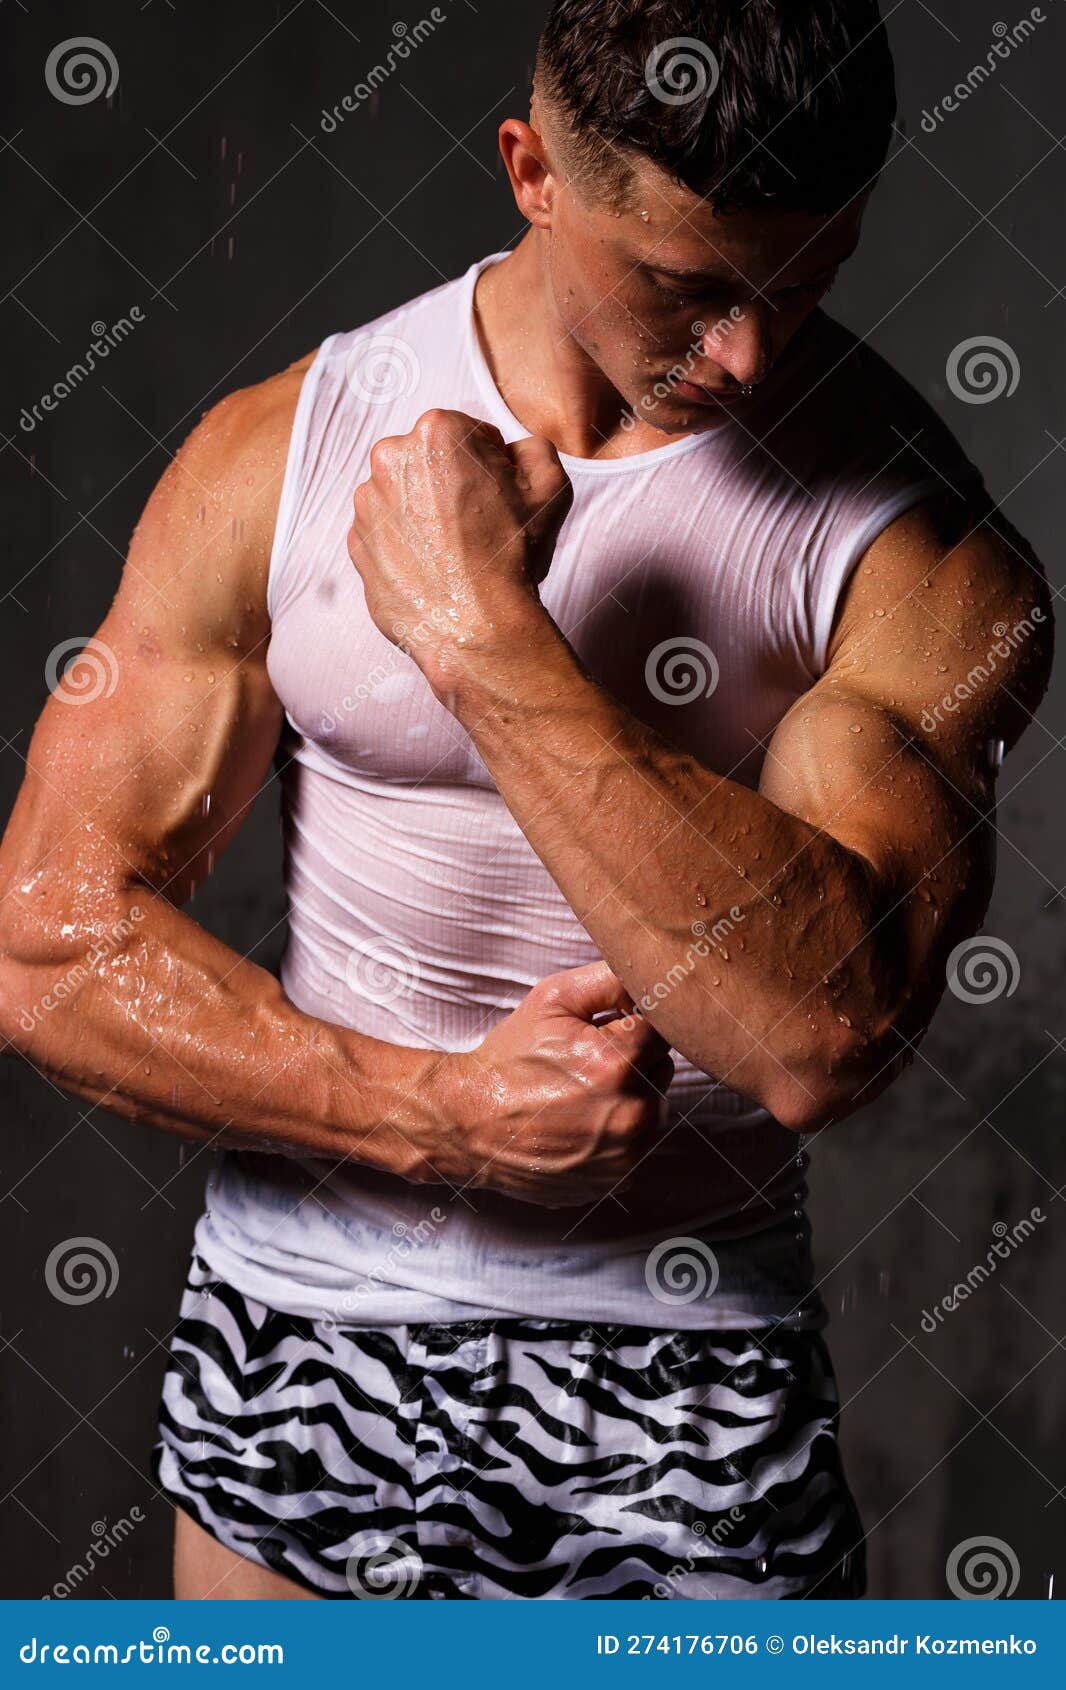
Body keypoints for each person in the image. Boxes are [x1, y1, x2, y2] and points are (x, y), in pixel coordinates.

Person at [0, 0, 1051, 1601]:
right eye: (686, 287)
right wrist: (434, 1114)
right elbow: (45, 945)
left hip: (686, 1363)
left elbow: (817, 1031)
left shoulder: (910, 547)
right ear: (531, 173)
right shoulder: (282, 453)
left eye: (802, 281)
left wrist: (484, 641)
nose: (746, 353)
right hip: (304, 1330)